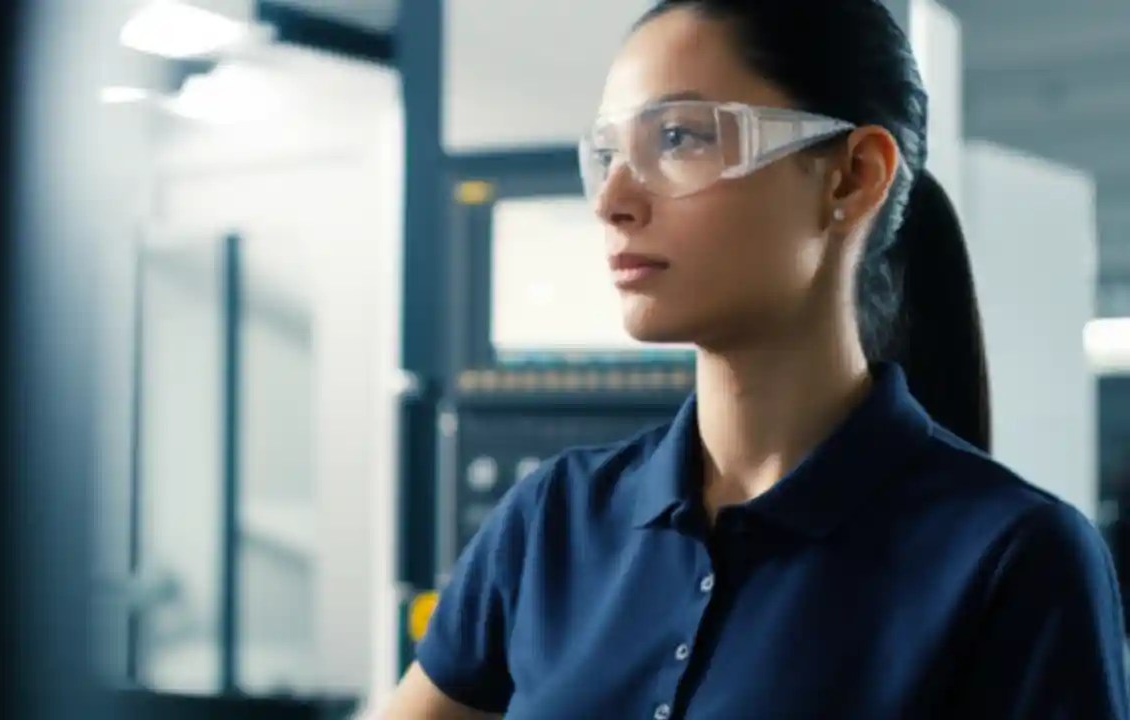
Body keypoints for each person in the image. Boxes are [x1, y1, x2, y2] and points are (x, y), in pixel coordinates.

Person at [383, 1, 1129, 717]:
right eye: (607, 155)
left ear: (852, 176)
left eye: (679, 138)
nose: (612, 199)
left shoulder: (1016, 560)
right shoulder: (553, 520)